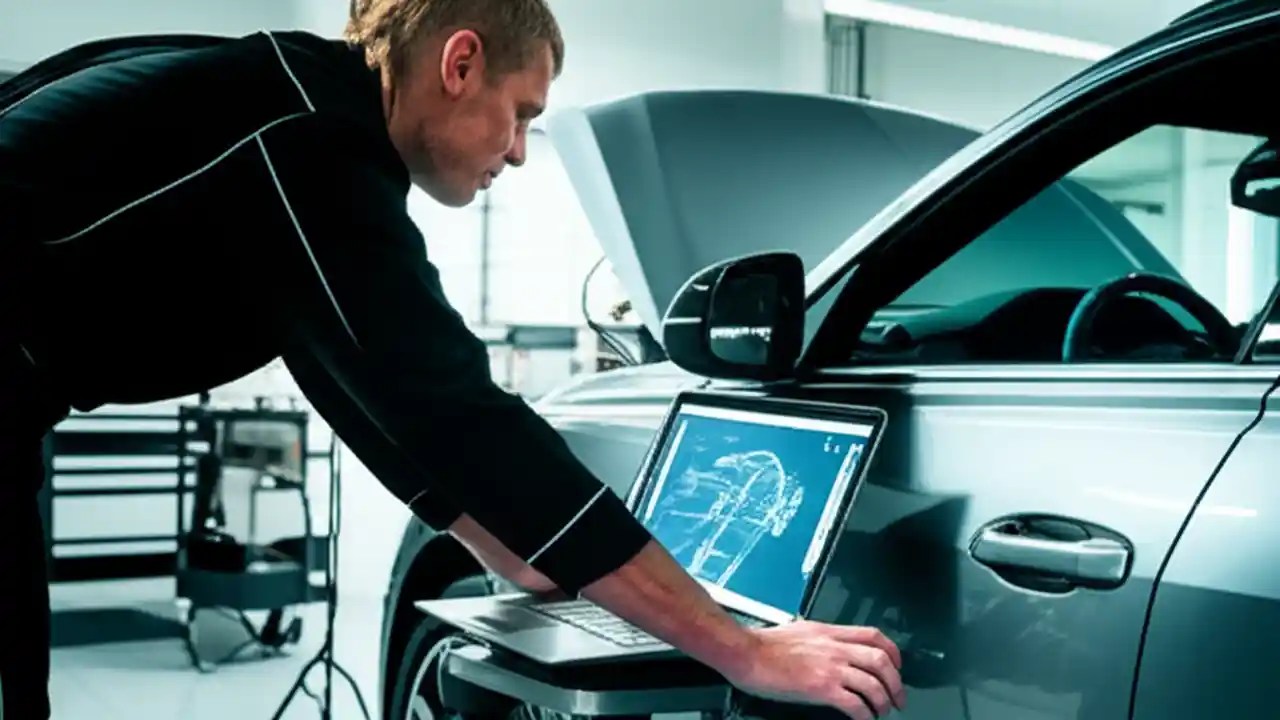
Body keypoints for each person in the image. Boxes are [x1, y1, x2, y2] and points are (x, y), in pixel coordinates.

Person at [0, 1, 907, 718]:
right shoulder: (312, 152)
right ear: (459, 62)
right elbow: (460, 419)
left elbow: (366, 394)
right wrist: (744, 651)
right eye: (519, 116)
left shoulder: (267, 91)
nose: (517, 151)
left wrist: (507, 550)